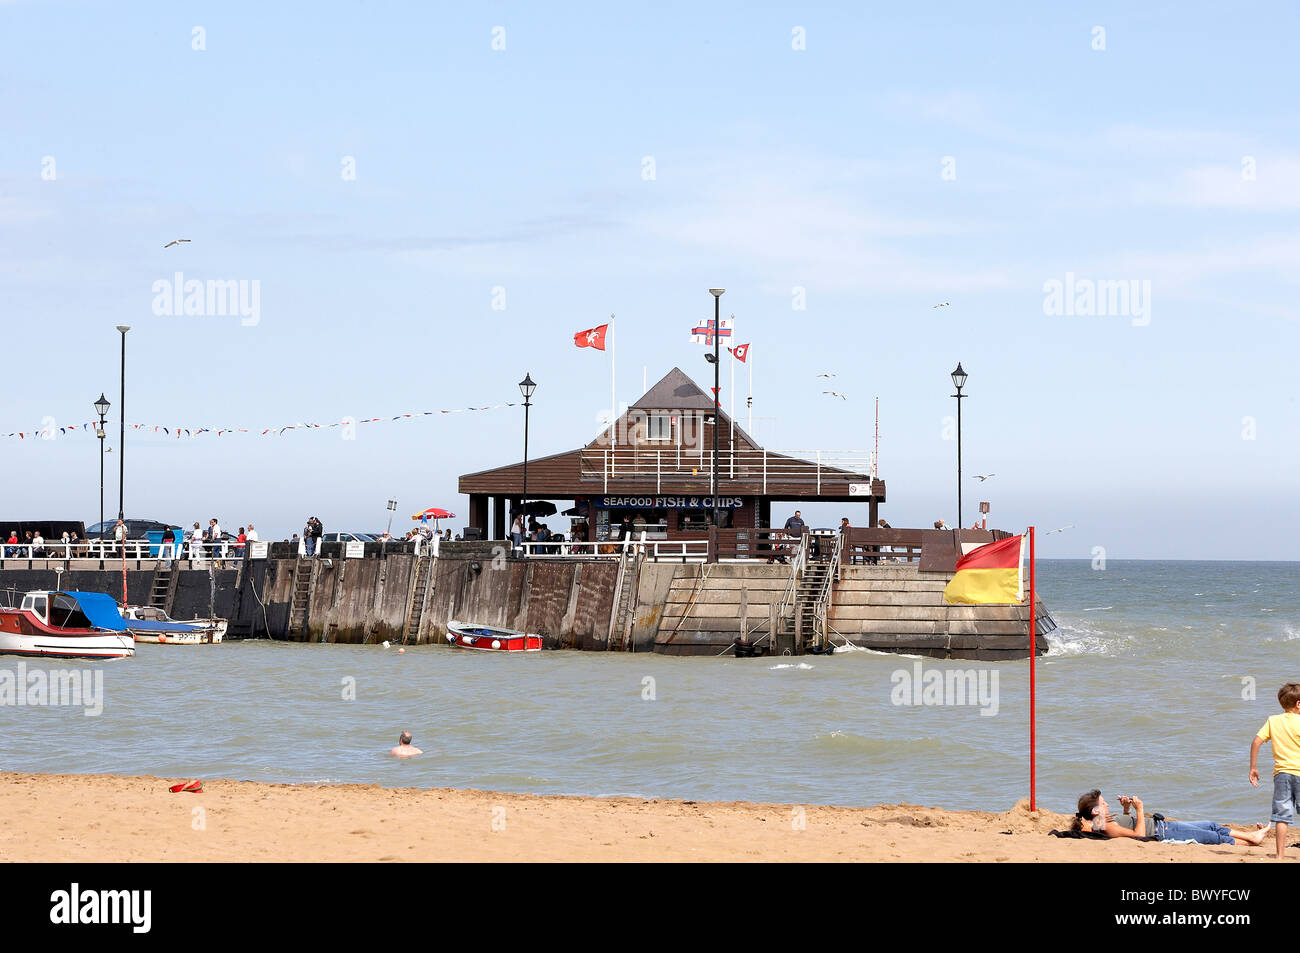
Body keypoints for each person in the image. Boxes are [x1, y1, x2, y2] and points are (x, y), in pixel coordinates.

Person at [1070, 789, 1270, 846]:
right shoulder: (1102, 826)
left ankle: (1252, 837)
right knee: (1214, 838)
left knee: (1210, 826)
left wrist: (1127, 810)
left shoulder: (1101, 824)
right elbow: (1139, 836)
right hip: (1163, 832)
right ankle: (1253, 839)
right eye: (1103, 803)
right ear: (1096, 812)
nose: (1106, 805)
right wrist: (1140, 809)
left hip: (1163, 826)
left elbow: (1125, 831)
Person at [1250, 682, 1300, 860]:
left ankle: (1279, 856)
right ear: (1298, 704)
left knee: (1281, 816)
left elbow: (1256, 741)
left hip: (1282, 774)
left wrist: (1253, 767)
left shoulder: (1273, 721)